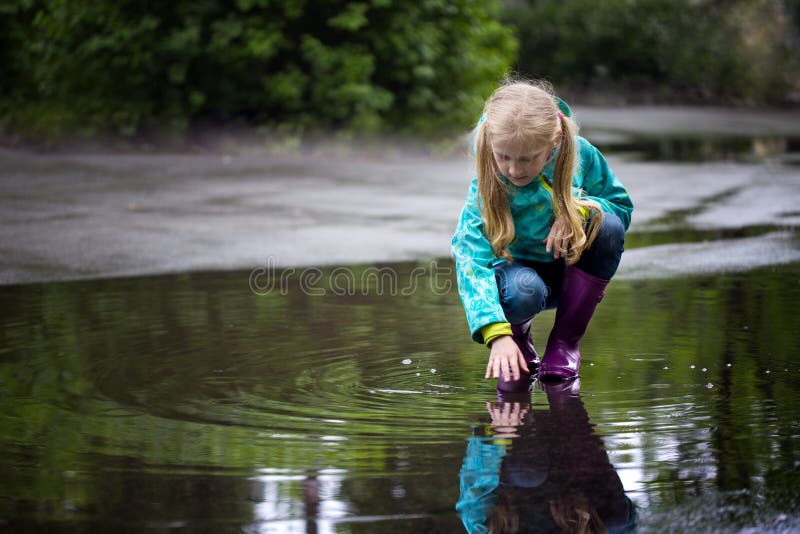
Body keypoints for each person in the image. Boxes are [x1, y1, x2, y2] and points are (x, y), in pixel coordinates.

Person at [450, 79, 633, 392]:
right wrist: (498, 334)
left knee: (608, 227)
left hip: (569, 274)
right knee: (524, 290)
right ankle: (517, 342)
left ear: (554, 141)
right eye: (503, 157)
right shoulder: (487, 181)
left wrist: (579, 210)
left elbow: (621, 207)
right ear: (491, 144)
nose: (513, 169)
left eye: (527, 159)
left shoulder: (579, 153)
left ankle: (564, 345)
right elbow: (470, 259)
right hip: (517, 281)